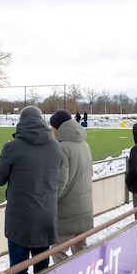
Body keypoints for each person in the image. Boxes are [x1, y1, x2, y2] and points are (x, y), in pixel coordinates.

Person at [0, 105, 61, 274]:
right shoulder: (55, 146)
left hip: (20, 220)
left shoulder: (13, 147)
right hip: (45, 216)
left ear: (21, 122)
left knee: (19, 271)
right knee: (42, 270)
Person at [49, 109, 94, 262]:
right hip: (84, 207)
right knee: (81, 251)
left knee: (58, 252)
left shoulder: (61, 148)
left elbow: (60, 183)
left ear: (58, 127)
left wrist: (49, 203)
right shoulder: (85, 144)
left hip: (67, 212)